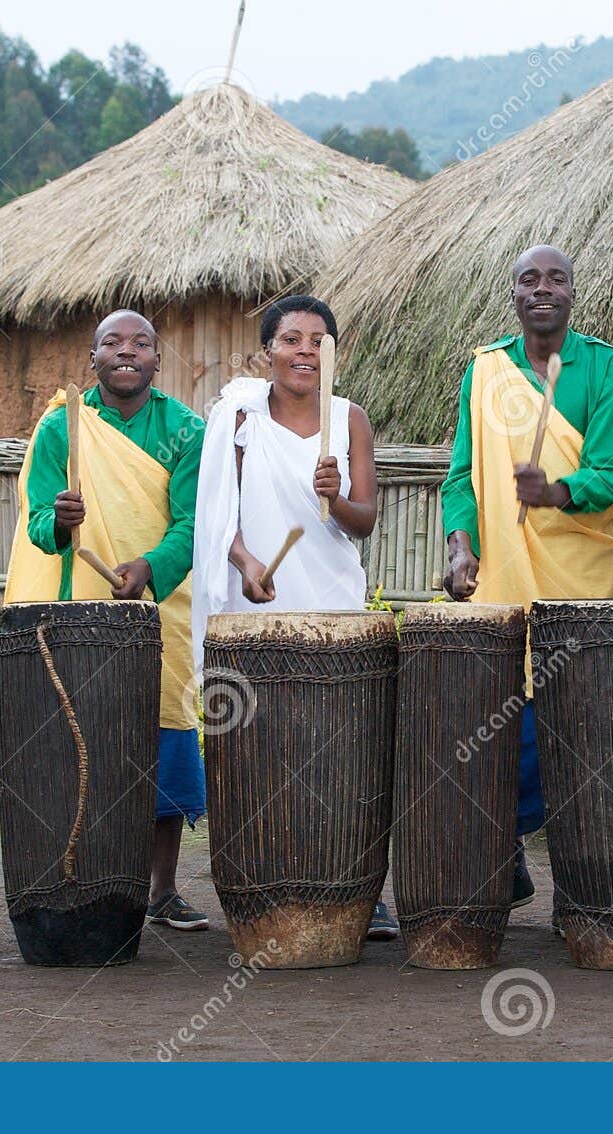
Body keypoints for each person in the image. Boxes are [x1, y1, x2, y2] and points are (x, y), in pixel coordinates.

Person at [190, 294, 394, 940]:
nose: (305, 351)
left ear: (333, 353)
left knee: (343, 755)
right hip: (262, 613)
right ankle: (270, 884)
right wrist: (248, 565)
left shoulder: (349, 419)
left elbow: (363, 522)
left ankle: (357, 889)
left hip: (334, 607)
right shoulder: (240, 422)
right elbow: (218, 519)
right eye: (292, 340)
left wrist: (336, 499)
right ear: (267, 353)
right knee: (266, 753)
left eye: (318, 341)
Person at [440, 245, 613, 915]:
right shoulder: (486, 370)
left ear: (573, 294)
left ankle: (585, 889)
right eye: (529, 279)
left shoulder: (606, 368)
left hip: (579, 580)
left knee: (582, 728)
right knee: (503, 726)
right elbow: (462, 474)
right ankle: (507, 855)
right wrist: (461, 548)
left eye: (555, 279)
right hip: (502, 578)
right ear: (514, 294)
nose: (542, 289)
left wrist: (551, 492)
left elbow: (611, 473)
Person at [8, 309, 209, 931]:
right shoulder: (61, 428)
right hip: (77, 610)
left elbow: (192, 524)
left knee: (164, 737)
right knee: (82, 741)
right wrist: (59, 523)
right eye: (113, 343)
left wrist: (149, 567)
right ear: (91, 358)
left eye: (141, 343)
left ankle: (163, 890)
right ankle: (83, 877)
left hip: (156, 604)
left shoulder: (186, 430)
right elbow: (39, 519)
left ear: (156, 360)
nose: (128, 352)